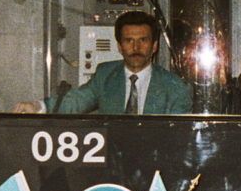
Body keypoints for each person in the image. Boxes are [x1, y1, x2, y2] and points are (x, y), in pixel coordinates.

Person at [13, 10, 190, 115]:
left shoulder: (175, 87)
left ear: (154, 46)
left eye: (143, 40)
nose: (136, 47)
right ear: (119, 47)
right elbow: (75, 101)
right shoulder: (105, 75)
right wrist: (38, 106)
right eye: (129, 41)